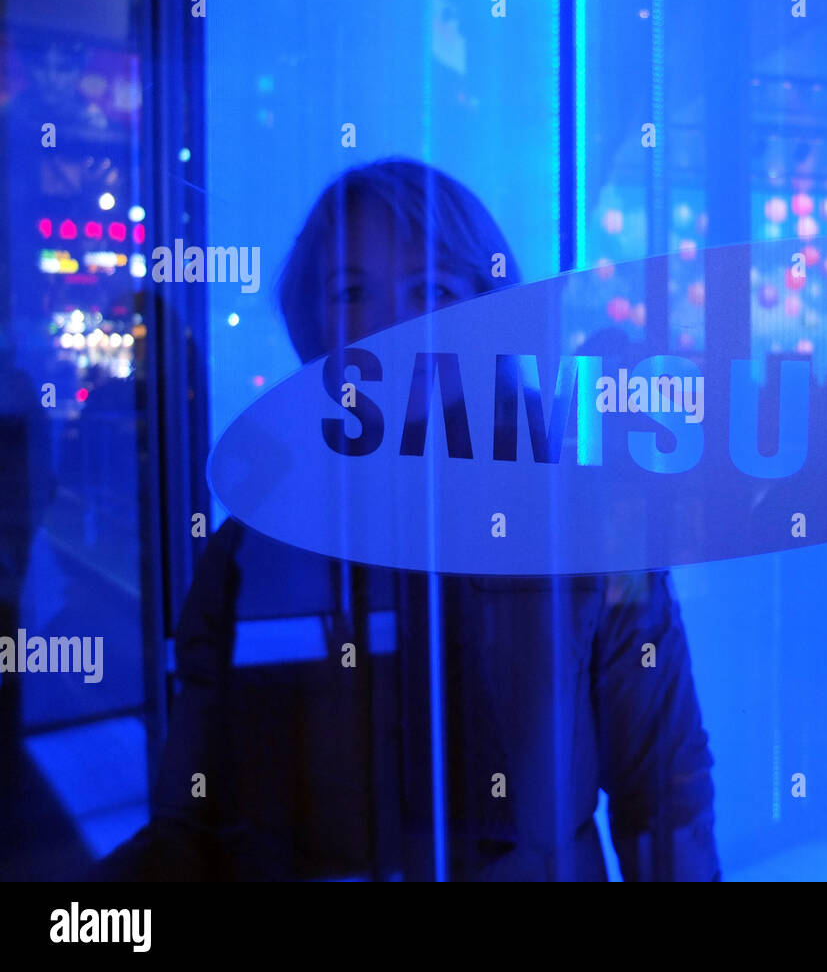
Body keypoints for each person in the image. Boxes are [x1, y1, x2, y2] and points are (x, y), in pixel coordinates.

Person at [95, 158, 720, 881]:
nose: (395, 323)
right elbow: (194, 822)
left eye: (434, 289)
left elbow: (664, 797)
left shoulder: (581, 525)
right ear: (311, 321)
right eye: (354, 292)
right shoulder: (254, 547)